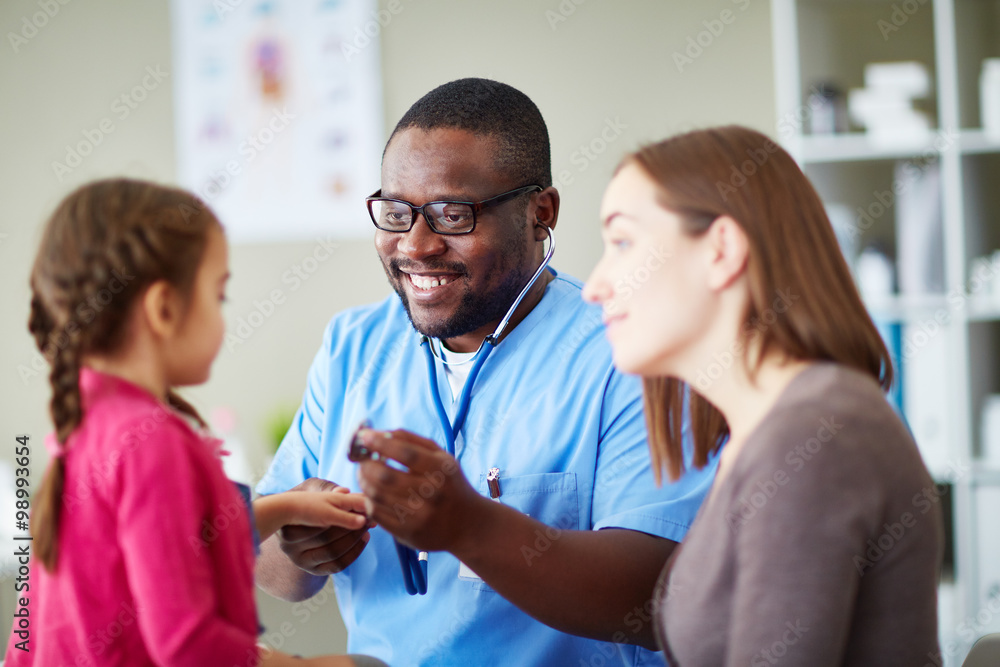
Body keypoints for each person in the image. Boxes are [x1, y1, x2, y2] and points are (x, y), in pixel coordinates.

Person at [254, 78, 718, 666]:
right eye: (397, 212)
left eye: (452, 215)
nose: (415, 246)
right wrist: (299, 540)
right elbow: (275, 568)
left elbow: (660, 601)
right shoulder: (354, 343)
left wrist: (468, 526)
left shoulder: (629, 352)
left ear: (539, 213)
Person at [582, 125, 943, 665]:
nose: (594, 284)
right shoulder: (764, 431)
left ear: (722, 250)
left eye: (624, 243)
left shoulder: (813, 434)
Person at [9, 178, 385, 667]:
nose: (223, 317)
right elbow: (189, 646)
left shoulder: (88, 421)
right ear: (164, 308)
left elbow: (173, 540)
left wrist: (289, 506)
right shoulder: (153, 443)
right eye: (219, 295)